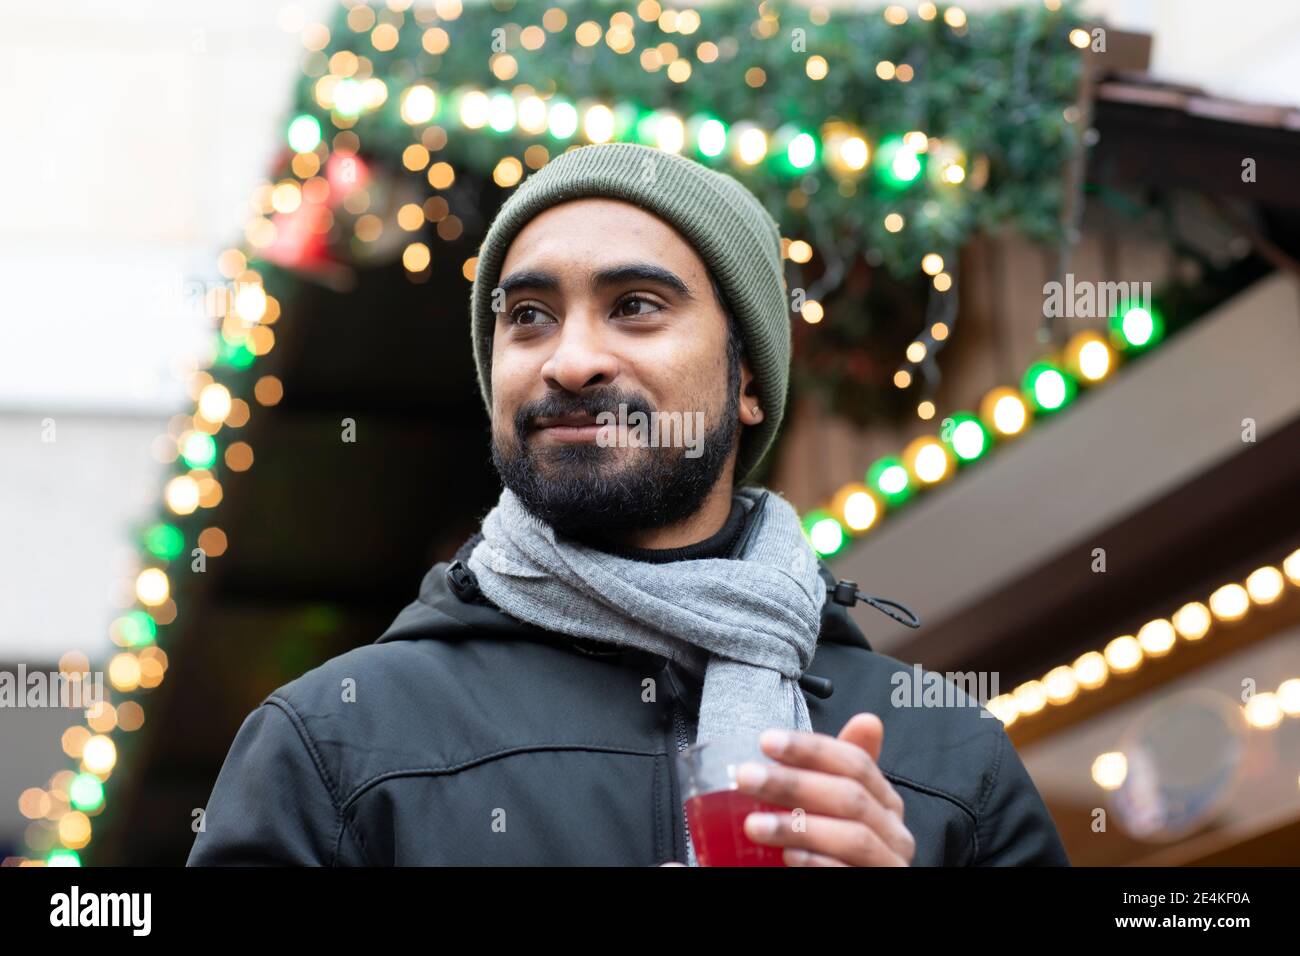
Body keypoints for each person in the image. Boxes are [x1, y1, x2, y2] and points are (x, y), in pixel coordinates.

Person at [187, 142, 1069, 866]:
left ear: (750, 377)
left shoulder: (952, 765)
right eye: (528, 316)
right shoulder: (334, 743)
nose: (570, 360)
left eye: (635, 306)